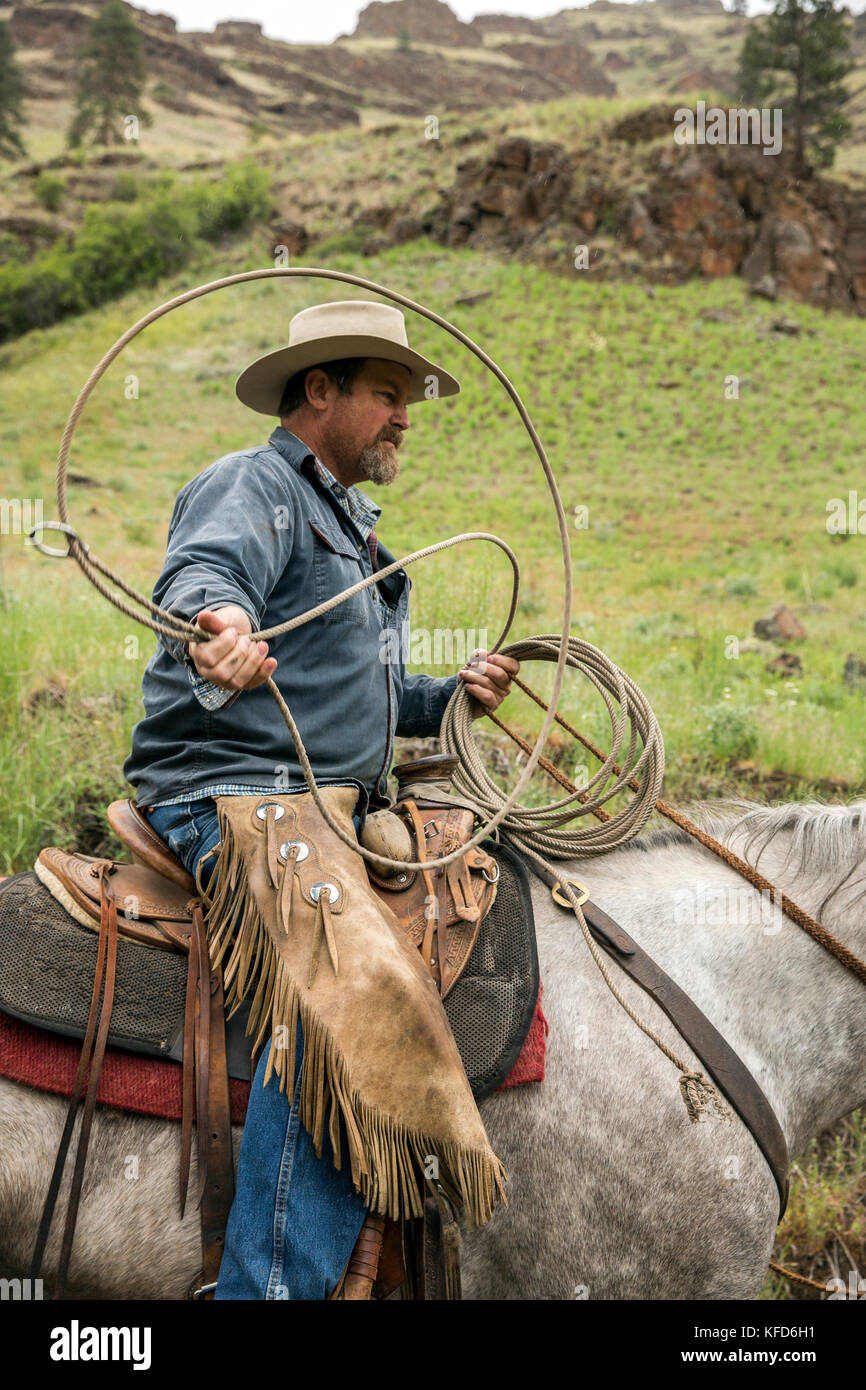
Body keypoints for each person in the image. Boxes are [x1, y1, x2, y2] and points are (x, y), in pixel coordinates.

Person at [123, 299, 520, 1299]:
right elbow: (204, 581)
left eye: (405, 400)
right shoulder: (252, 484)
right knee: (351, 1009)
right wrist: (218, 627)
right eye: (388, 395)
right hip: (239, 794)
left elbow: (358, 695)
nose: (403, 417)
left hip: (320, 800)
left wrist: (445, 696)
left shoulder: (350, 525)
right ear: (319, 392)